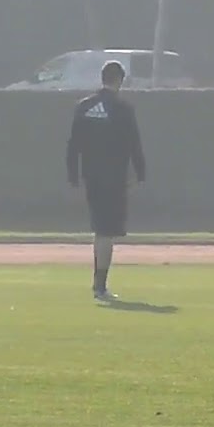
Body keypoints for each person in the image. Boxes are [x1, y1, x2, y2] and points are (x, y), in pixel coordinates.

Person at [65, 60, 145, 301]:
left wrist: (73, 175)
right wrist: (140, 174)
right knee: (107, 232)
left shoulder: (84, 107)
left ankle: (98, 283)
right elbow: (134, 145)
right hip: (114, 178)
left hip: (92, 176)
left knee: (100, 230)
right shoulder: (123, 109)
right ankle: (100, 285)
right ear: (119, 80)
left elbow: (73, 145)